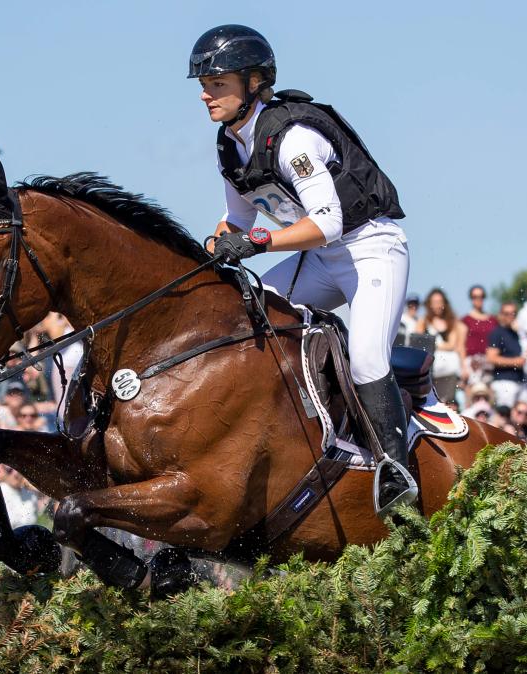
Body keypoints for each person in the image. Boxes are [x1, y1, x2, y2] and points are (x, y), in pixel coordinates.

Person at [192, 25, 413, 513]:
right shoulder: (230, 145)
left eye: (218, 83)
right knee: (243, 320)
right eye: (204, 84)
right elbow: (238, 219)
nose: (206, 94)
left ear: (253, 83)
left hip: (369, 248)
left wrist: (259, 242)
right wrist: (211, 246)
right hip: (319, 259)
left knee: (369, 360)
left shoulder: (293, 139)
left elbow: (329, 222)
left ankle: (398, 475)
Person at [416, 289, 466, 406]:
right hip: (430, 369)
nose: (437, 305)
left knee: (448, 401)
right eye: (434, 302)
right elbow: (418, 342)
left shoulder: (451, 322)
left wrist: (434, 345)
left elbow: (453, 345)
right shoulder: (423, 322)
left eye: (439, 302)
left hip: (449, 370)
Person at [486, 303, 527, 408]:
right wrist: (514, 362)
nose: (510, 316)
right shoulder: (497, 333)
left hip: (519, 380)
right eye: (506, 313)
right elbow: (491, 358)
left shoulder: (516, 333)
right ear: (500, 315)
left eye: (513, 313)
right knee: (504, 416)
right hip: (504, 382)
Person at [461, 285, 497, 385]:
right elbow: (461, 345)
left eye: (481, 296)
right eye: (475, 297)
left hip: (489, 363)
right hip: (472, 363)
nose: (478, 299)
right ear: (471, 298)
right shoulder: (465, 320)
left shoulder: (493, 320)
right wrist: (463, 366)